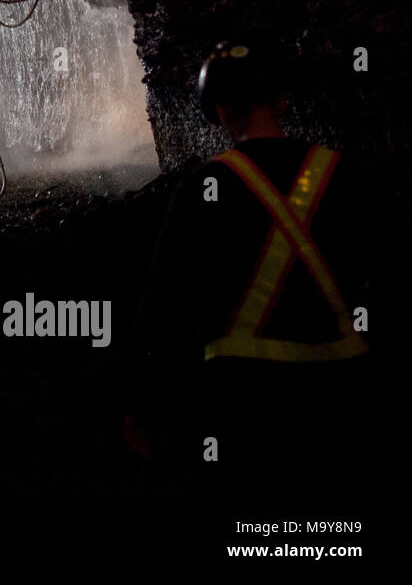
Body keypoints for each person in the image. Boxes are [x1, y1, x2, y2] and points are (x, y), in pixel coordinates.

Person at [126, 41, 375, 498]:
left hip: (248, 398)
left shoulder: (203, 189)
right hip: (345, 392)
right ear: (280, 100)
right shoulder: (344, 174)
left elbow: (165, 308)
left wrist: (146, 407)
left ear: (219, 111)